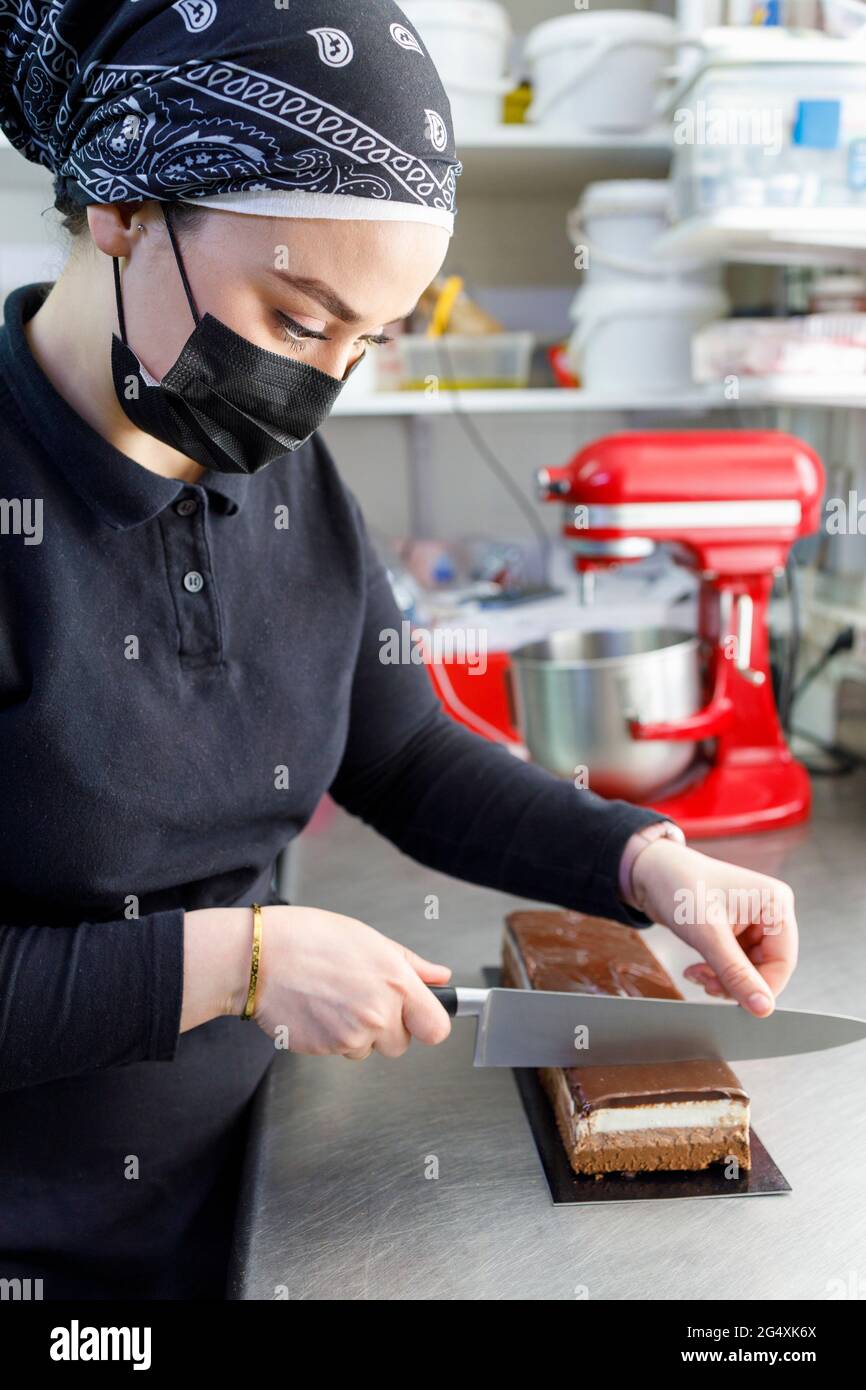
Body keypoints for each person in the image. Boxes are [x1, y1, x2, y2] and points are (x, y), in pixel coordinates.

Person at [0, 0, 797, 1300]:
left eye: (366, 341)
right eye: (296, 315)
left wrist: (643, 863)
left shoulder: (282, 482)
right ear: (123, 204)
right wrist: (239, 959)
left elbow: (406, 750)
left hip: (253, 1187)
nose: (318, 390)